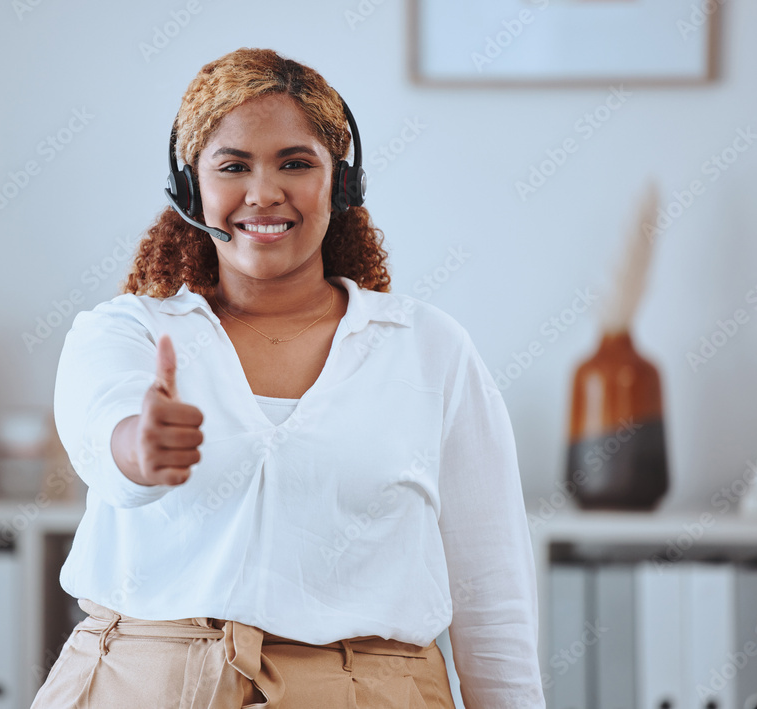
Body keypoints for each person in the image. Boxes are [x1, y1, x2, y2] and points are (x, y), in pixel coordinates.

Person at [34, 47, 546, 708]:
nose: (263, 192)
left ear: (342, 183)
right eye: (233, 166)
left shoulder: (430, 349)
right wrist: (138, 446)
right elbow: (104, 429)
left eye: (296, 163)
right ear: (190, 189)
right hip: (140, 684)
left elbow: (491, 589)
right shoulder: (124, 332)